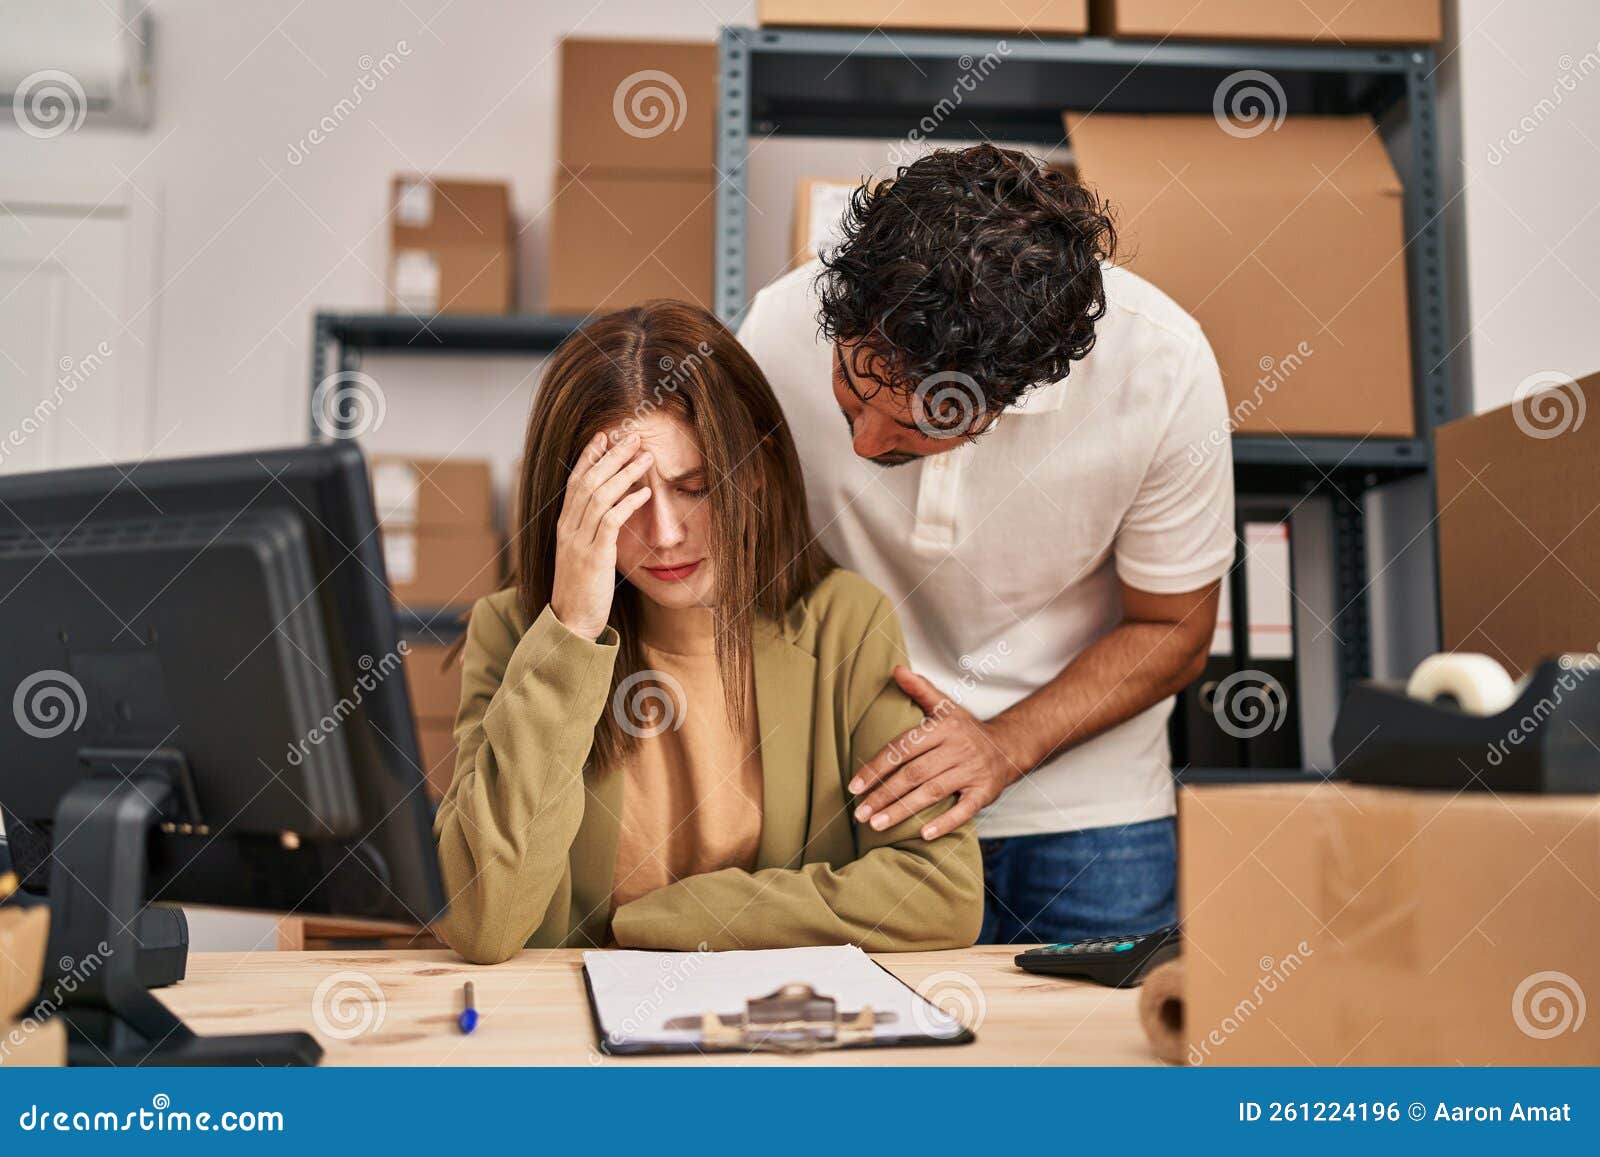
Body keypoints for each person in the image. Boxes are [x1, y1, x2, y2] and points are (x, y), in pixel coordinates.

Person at [737, 144, 1236, 943]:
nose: (864, 443)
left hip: (1086, 818)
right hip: (855, 800)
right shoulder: (777, 327)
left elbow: (1172, 627)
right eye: (852, 389)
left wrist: (1003, 746)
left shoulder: (1165, 370)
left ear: (1019, 388)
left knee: (1091, 1065)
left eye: (914, 425)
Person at [431, 300, 983, 964]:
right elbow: (482, 921)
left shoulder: (846, 624)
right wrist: (571, 632)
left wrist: (666, 919)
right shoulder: (514, 634)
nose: (664, 534)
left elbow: (939, 892)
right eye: (626, 497)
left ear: (753, 467)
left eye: (696, 486)